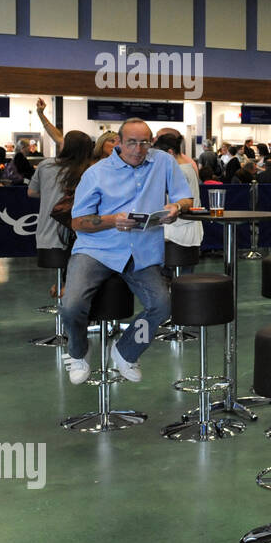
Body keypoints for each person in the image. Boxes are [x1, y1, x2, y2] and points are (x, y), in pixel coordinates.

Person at [60, 119, 193, 384]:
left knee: (162, 306)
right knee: (72, 304)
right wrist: (112, 220)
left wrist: (176, 208)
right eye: (131, 142)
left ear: (152, 142)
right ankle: (77, 352)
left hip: (142, 250)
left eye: (144, 142)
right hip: (97, 249)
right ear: (118, 143)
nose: (138, 149)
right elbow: (78, 221)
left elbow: (186, 198)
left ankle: (126, 350)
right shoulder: (97, 173)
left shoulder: (163, 163)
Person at [28, 131, 94, 285]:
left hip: (47, 232)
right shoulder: (89, 170)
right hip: (79, 232)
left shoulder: (46, 165)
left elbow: (31, 192)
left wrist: (50, 195)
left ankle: (61, 290)